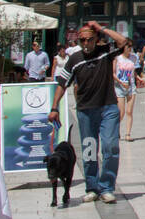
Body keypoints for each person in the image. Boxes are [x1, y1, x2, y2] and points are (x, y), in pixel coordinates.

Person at [49, 20, 128, 203]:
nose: (85, 44)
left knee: (110, 147)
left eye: (89, 40)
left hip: (107, 107)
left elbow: (123, 42)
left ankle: (107, 187)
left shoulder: (105, 52)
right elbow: (62, 83)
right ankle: (92, 187)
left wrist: (101, 28)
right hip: (86, 110)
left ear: (96, 39)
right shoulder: (74, 60)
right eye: (82, 40)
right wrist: (54, 108)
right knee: (89, 150)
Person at [114, 40, 137, 142]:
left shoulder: (133, 58)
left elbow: (133, 72)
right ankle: (115, 130)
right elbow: (113, 73)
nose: (130, 49)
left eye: (131, 46)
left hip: (131, 86)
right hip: (119, 86)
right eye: (128, 47)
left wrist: (139, 79)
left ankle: (128, 134)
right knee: (121, 112)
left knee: (129, 111)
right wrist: (121, 82)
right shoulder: (117, 59)